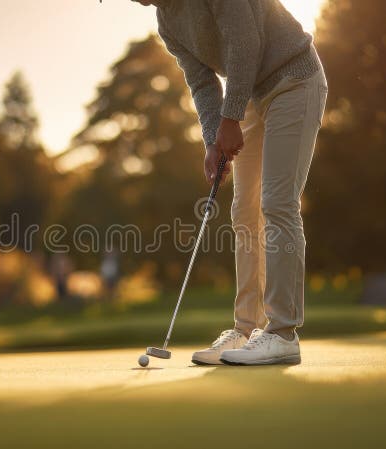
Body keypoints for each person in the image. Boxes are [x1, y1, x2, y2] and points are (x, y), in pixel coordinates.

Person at [133, 0, 327, 365]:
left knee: (278, 203)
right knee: (244, 212)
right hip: (253, 95)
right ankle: (247, 329)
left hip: (294, 79)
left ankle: (283, 332)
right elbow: (201, 81)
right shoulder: (166, 21)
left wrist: (231, 117)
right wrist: (213, 140)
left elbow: (244, 42)